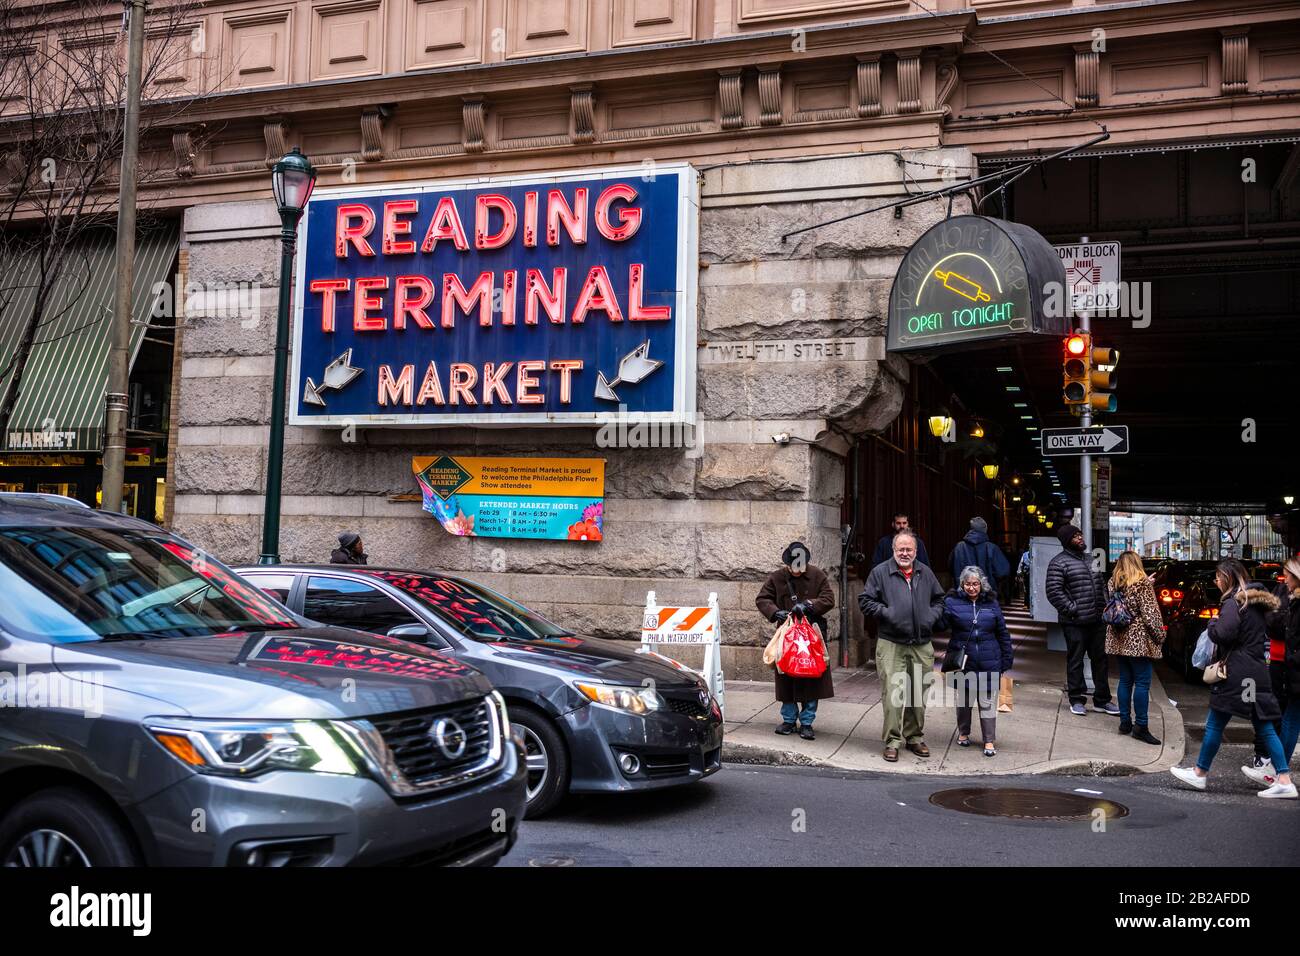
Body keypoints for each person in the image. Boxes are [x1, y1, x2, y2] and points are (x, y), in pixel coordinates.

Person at [1170, 559, 1296, 798]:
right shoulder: (1258, 602)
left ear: (1227, 577)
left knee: (1215, 723)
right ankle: (1284, 779)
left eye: (1218, 577)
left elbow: (1224, 634)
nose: (1215, 581)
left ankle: (1199, 773)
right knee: (1265, 727)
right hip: (1257, 671)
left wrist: (1212, 624)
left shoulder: (1233, 602)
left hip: (1236, 673)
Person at [859, 531, 945, 762]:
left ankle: (914, 737)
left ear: (916, 551)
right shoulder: (880, 572)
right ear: (894, 551)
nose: (905, 553)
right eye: (901, 549)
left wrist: (929, 617)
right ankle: (892, 741)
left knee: (918, 693)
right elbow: (865, 601)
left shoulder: (925, 572)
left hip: (921, 643)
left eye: (909, 549)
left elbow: (940, 600)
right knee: (894, 696)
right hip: (891, 643)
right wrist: (889, 614)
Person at [756, 541, 835, 740]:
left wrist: (809, 604)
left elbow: (828, 599)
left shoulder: (818, 575)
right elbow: (763, 599)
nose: (797, 570)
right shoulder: (777, 577)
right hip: (787, 634)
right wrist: (776, 613)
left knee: (811, 677)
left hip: (812, 635)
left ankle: (807, 722)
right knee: (786, 677)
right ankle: (789, 719)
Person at [1045, 524, 1116, 717]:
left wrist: (1106, 606)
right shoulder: (1058, 563)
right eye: (1076, 536)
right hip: (1074, 622)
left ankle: (1102, 700)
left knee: (1100, 660)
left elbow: (1101, 584)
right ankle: (1076, 700)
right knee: (1076, 660)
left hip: (1097, 620)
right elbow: (1053, 592)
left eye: (1080, 535)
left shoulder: (1091, 558)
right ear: (1067, 541)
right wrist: (1072, 609)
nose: (1080, 538)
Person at [942, 566, 1013, 757]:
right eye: (967, 584)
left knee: (987, 703)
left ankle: (989, 741)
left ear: (982, 584)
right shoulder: (952, 602)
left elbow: (1002, 632)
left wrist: (1007, 658)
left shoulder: (992, 603)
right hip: (963, 661)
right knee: (964, 702)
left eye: (975, 584)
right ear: (962, 585)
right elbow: (940, 625)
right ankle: (963, 733)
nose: (972, 588)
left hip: (989, 659)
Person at [1104, 551, 1165, 745]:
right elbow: (1151, 616)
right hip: (1137, 640)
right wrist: (1160, 636)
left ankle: (1124, 722)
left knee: (1125, 680)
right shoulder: (1142, 584)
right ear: (1137, 563)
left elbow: (1125, 601)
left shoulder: (1113, 583)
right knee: (1142, 682)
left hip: (1118, 637)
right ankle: (1141, 726)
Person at [1250, 555, 1300, 786]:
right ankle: (1277, 771)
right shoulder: (1289, 596)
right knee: (1290, 719)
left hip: (1293, 668)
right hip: (1290, 668)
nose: (1284, 578)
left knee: (1289, 720)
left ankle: (1279, 774)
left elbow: (1286, 632)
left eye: (1288, 574)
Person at [948, 517, 1011, 593]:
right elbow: (1003, 571)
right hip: (986, 595)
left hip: (963, 593)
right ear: (985, 530)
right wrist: (991, 580)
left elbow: (951, 568)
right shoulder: (991, 548)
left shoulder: (958, 547)